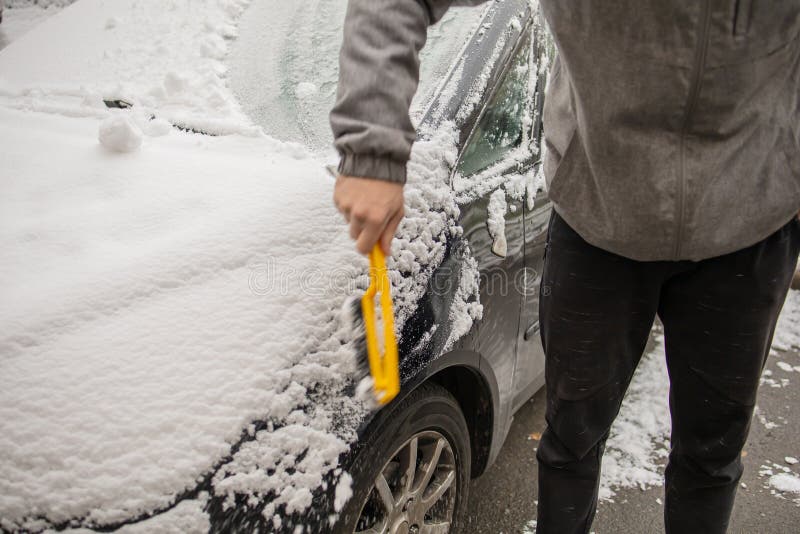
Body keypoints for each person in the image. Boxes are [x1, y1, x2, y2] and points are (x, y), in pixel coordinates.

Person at [330, 1, 800, 532]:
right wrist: (371, 150)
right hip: (598, 224)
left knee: (711, 454)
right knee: (572, 440)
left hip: (746, 229)